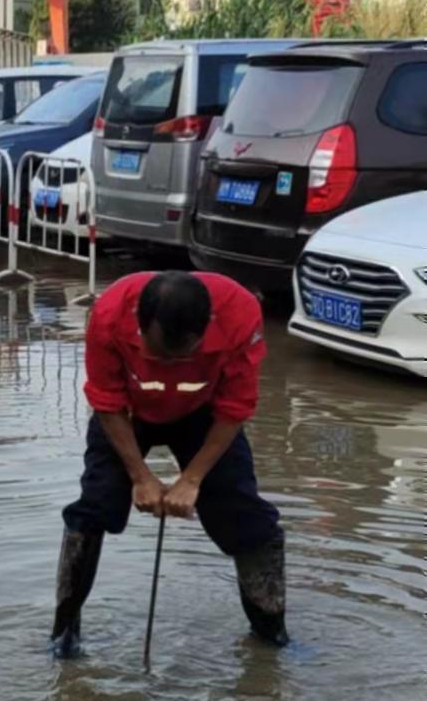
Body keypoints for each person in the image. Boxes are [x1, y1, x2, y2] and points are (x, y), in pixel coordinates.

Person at [50, 271, 287, 659]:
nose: (169, 366)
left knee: (244, 514)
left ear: (206, 329)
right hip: (128, 412)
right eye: (159, 355)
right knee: (95, 505)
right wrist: (139, 476)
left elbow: (236, 406)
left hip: (204, 412)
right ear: (139, 325)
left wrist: (192, 479)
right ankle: (63, 636)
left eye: (182, 356)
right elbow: (106, 400)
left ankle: (271, 635)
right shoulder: (109, 313)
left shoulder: (240, 313)